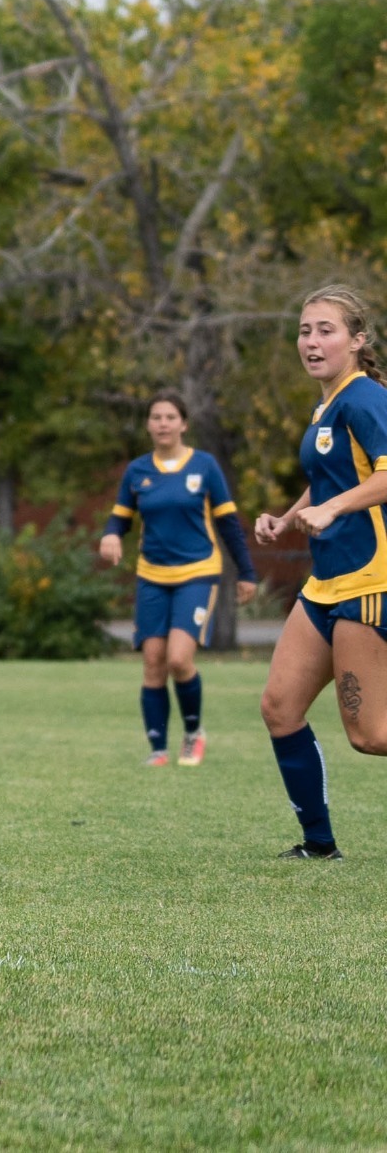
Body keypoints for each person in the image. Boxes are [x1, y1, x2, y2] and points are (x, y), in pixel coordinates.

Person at [252, 284, 387, 861]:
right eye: (305, 330)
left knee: (372, 736)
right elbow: (333, 479)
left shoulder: (365, 399)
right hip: (323, 584)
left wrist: (331, 510)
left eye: (326, 330)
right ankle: (319, 845)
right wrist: (286, 520)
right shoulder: (326, 406)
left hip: (367, 579)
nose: (311, 341)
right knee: (279, 706)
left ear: (358, 340)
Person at [98, 395, 259, 765]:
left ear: (184, 424)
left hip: (198, 573)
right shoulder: (137, 471)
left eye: (170, 417)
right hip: (152, 575)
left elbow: (228, 524)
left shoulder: (204, 466)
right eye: (156, 417)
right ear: (148, 425)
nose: (163, 423)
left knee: (178, 660)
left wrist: (247, 573)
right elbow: (119, 518)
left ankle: (193, 733)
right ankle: (158, 749)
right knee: (153, 661)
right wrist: (110, 535)